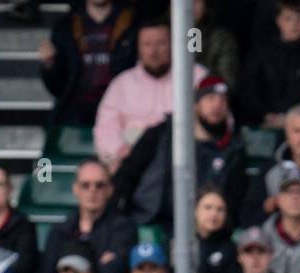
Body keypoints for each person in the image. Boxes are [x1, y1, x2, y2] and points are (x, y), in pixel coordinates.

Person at [111, 75, 247, 231]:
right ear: (196, 104)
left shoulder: (233, 148)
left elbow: (235, 199)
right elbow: (128, 173)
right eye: (210, 98)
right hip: (150, 220)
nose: (217, 105)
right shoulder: (161, 134)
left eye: (223, 100)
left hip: (205, 230)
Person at [93, 19, 207, 171]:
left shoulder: (197, 76)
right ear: (138, 49)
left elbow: (218, 120)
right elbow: (105, 128)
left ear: (174, 44)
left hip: (186, 161)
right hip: (133, 164)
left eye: (160, 43)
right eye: (147, 44)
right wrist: (117, 153)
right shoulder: (122, 83)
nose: (153, 52)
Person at [38, 156, 137, 273]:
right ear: (75, 189)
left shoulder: (124, 228)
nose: (92, 191)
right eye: (85, 185)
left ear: (110, 190)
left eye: (99, 185)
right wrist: (98, 265)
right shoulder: (59, 231)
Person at [38, 0, 137, 127]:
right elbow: (57, 88)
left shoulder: (134, 23)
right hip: (76, 114)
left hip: (123, 110)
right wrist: (49, 65)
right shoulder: (65, 27)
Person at [240, 0, 300, 127]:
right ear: (278, 20)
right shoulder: (261, 51)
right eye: (288, 19)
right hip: (264, 123)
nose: (294, 25)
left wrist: (290, 118)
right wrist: (265, 115)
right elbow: (248, 89)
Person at [191, 185, 236, 273]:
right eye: (208, 207)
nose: (214, 214)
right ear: (195, 210)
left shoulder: (230, 249)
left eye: (220, 209)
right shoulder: (180, 243)